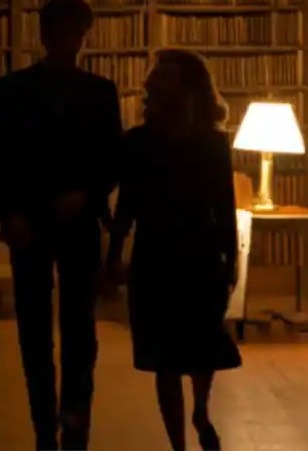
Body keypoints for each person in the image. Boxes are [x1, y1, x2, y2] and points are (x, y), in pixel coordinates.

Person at [0, 0, 123, 450]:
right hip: (30, 224)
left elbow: (111, 159)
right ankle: (45, 428)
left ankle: (75, 425)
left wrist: (86, 195)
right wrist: (11, 216)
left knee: (81, 332)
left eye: (77, 33)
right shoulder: (11, 89)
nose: (71, 42)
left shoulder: (101, 91)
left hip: (77, 222)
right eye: (64, 33)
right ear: (45, 36)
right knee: (34, 333)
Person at [106, 49, 242, 451]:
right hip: (154, 259)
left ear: (188, 85)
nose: (156, 81)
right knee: (164, 361)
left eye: (166, 74)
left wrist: (231, 261)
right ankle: (178, 444)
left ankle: (200, 410)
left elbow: (225, 205)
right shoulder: (138, 142)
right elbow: (126, 205)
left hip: (202, 258)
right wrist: (114, 255)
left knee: (202, 352)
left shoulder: (213, 143)